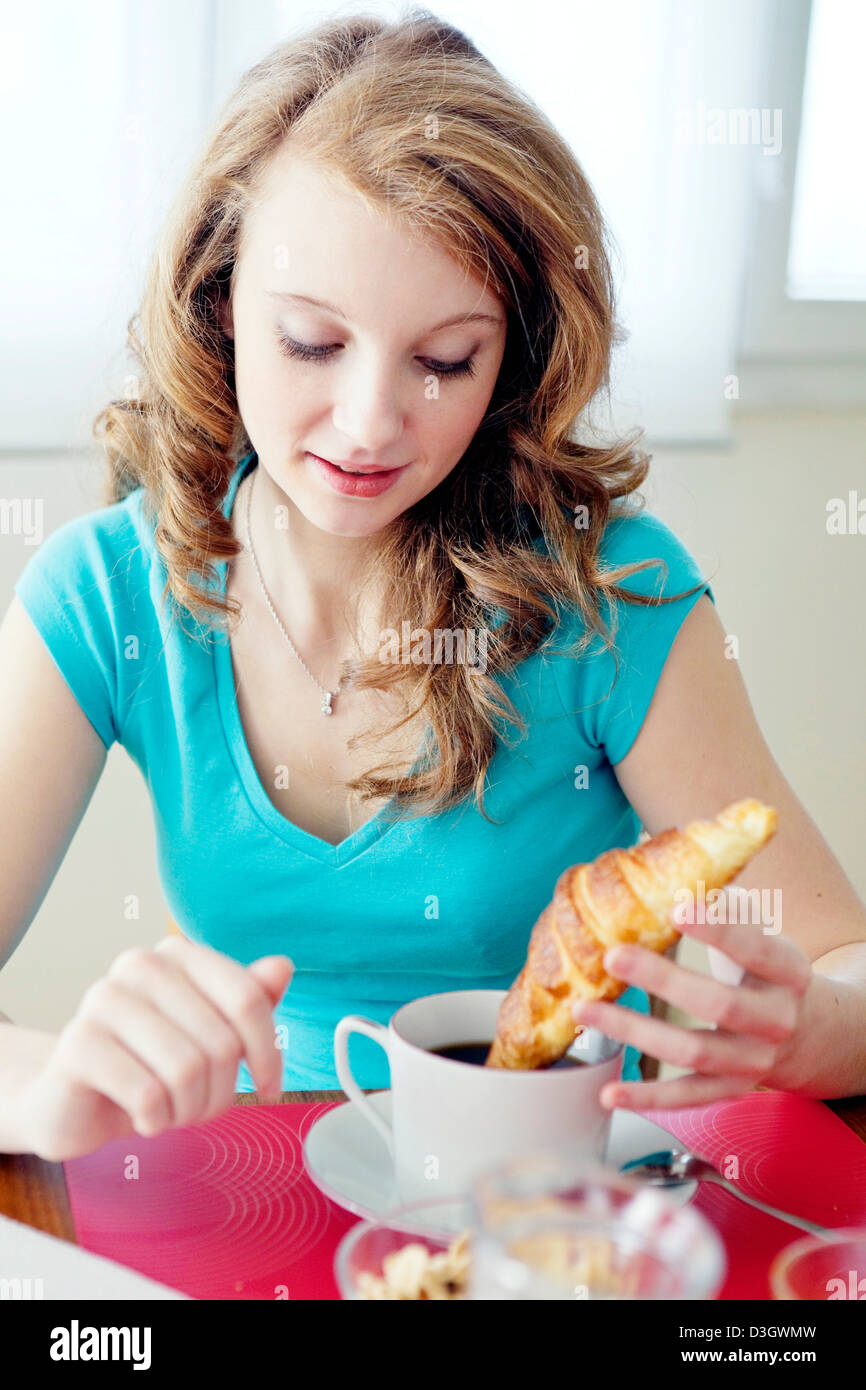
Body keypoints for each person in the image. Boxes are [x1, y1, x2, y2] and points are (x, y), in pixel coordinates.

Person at [1, 11, 865, 1165]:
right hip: (251, 1189)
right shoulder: (108, 595)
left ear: (511, 356)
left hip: (560, 1207)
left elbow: (837, 962)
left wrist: (810, 1031)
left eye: (444, 360)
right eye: (311, 341)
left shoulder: (612, 595)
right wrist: (46, 1085)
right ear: (217, 302)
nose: (368, 424)